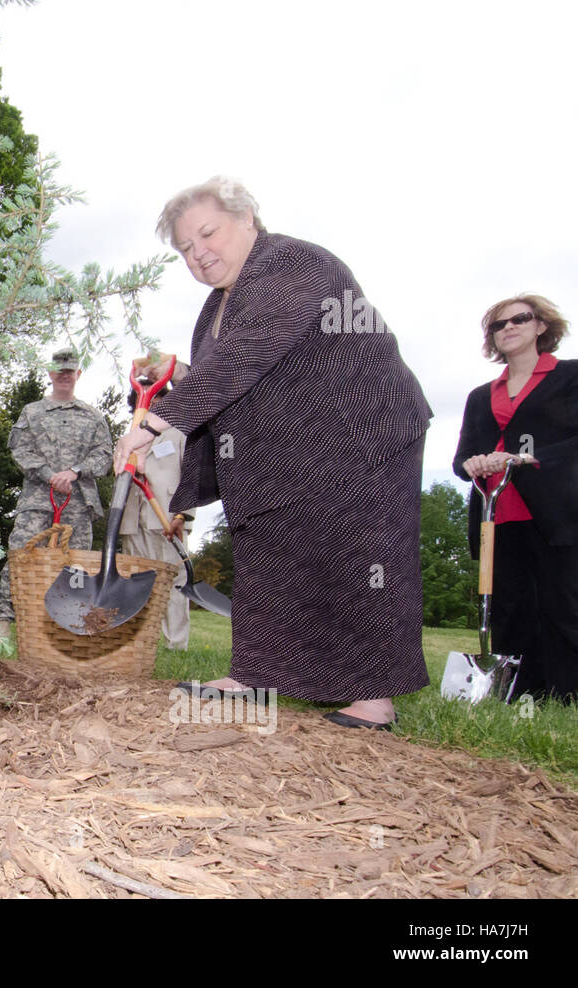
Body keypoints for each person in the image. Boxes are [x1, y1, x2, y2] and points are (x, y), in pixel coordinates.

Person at [114, 177, 432, 730]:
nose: (198, 253)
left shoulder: (296, 263)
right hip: (279, 448)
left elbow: (249, 350)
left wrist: (156, 422)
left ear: (247, 219)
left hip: (358, 430)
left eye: (207, 234)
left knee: (361, 557)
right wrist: (181, 379)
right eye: (185, 248)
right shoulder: (217, 303)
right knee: (267, 554)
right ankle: (257, 675)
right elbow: (238, 372)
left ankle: (375, 696)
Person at [452, 295, 578, 703]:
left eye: (519, 319)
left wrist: (527, 458)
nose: (508, 328)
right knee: (510, 607)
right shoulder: (479, 395)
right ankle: (519, 694)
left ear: (541, 326)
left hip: (557, 512)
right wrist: (473, 464)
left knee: (563, 605)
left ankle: (567, 697)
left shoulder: (570, 377)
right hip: (498, 515)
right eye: (498, 325)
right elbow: (462, 458)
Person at [0, 347, 112, 633]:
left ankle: (68, 623)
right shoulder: (31, 412)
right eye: (59, 371)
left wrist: (75, 472)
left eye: (70, 371)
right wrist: (49, 475)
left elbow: (104, 455)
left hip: (79, 502)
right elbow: (20, 449)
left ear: (78, 374)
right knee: (21, 554)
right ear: (50, 373)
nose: (64, 376)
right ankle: (3, 621)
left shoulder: (93, 416)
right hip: (37, 499)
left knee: (75, 564)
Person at [119, 374, 191, 649]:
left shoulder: (181, 432)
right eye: (145, 398)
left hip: (167, 517)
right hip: (133, 519)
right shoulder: (128, 436)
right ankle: (140, 642)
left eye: (158, 396)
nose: (152, 402)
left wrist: (183, 515)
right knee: (137, 581)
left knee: (172, 583)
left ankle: (175, 644)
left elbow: (191, 476)